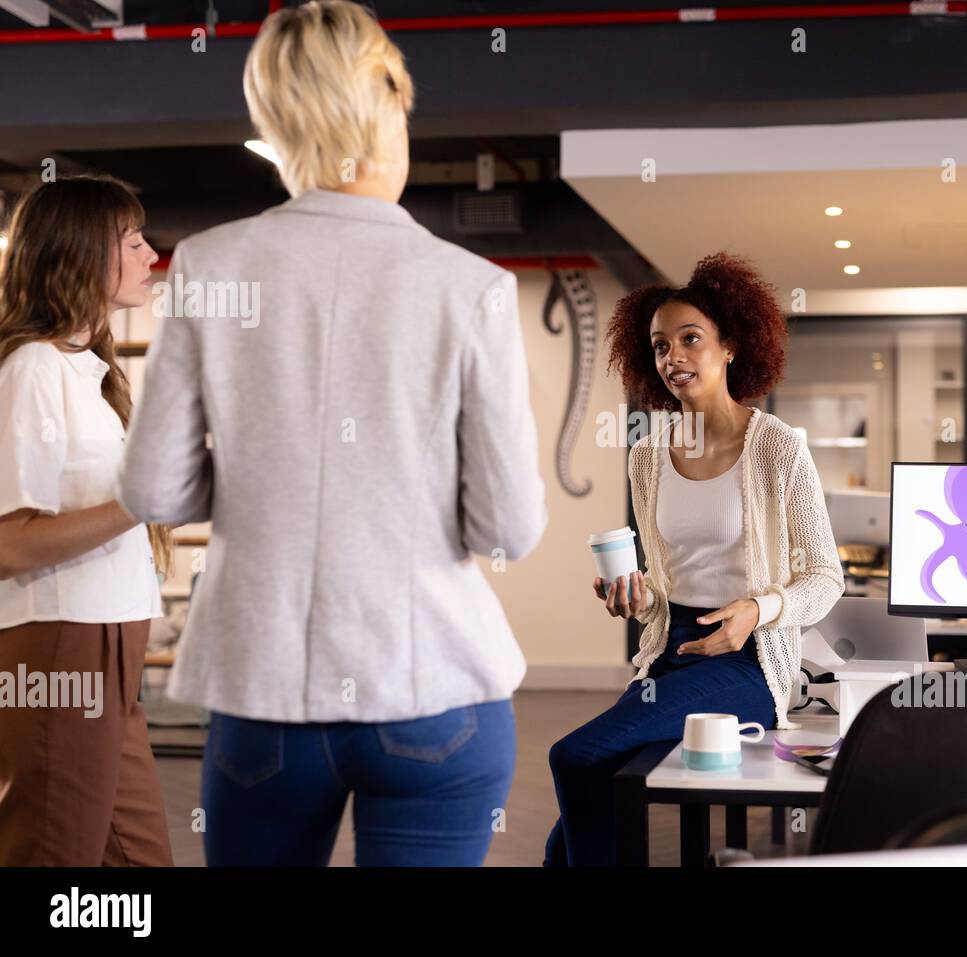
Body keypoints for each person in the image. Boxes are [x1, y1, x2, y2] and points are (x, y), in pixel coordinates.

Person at [118, 0, 546, 866]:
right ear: (389, 101)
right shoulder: (471, 286)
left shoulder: (210, 263)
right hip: (433, 689)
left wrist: (252, 467)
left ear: (276, 124)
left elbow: (154, 489)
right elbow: (507, 526)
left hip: (266, 694)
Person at [545, 251, 844, 866]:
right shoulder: (648, 456)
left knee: (572, 757)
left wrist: (756, 611)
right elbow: (664, 582)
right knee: (575, 818)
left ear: (730, 345)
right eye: (659, 346)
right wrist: (636, 594)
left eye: (690, 339)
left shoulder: (779, 449)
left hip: (749, 661)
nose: (673, 357)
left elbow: (825, 577)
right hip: (669, 651)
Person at [0, 176, 173, 866]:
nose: (151, 255)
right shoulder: (32, 369)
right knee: (52, 856)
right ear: (81, 252)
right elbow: (9, 543)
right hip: (62, 644)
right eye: (132, 241)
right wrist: (139, 501)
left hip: (110, 648)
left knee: (137, 862)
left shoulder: (86, 373)